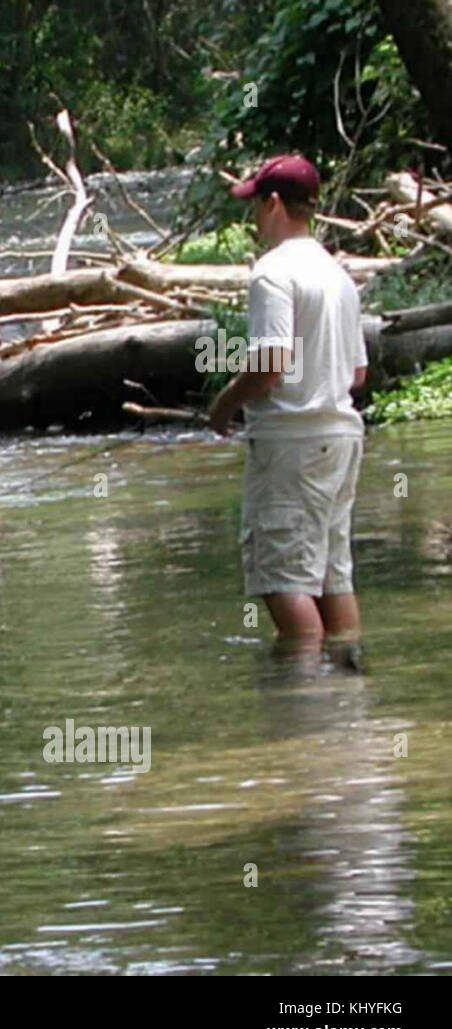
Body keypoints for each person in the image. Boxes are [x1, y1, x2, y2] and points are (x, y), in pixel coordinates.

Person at [207, 155, 368, 667]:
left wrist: (223, 406)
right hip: (341, 438)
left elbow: (271, 366)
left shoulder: (272, 273)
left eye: (256, 204)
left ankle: (303, 707)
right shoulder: (337, 274)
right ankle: (348, 687)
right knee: (331, 574)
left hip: (291, 444)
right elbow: (358, 375)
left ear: (274, 203)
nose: (254, 216)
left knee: (282, 578)